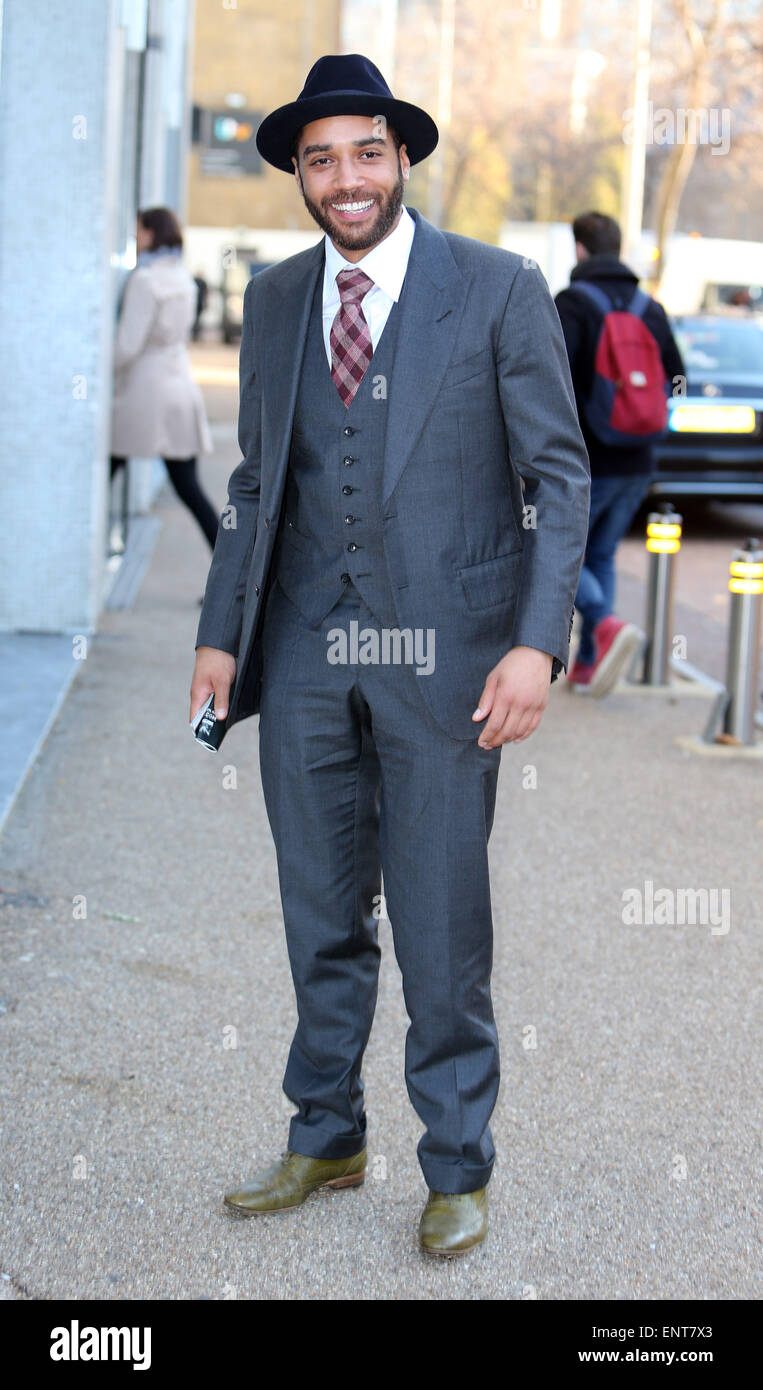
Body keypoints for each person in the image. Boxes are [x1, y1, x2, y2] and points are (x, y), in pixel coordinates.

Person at [189, 54, 590, 1256]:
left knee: (439, 916)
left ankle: (456, 1163)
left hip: (451, 656)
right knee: (319, 907)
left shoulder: (499, 287)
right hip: (307, 645)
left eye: (365, 152)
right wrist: (220, 634)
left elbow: (558, 477)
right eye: (320, 159)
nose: (344, 178)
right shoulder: (272, 300)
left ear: (399, 157)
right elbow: (256, 481)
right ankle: (325, 1133)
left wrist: (535, 645)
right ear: (300, 177)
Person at [554, 211, 685, 695]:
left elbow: (552, 378)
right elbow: (676, 375)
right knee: (602, 554)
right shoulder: (650, 307)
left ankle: (604, 626)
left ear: (581, 249)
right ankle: (590, 664)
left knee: (563, 554)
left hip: (588, 459)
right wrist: (647, 421)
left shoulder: (573, 304)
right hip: (640, 457)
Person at [110, 207, 218, 557]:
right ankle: (236, 583)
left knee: (98, 476)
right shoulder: (181, 277)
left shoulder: (144, 280)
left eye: (140, 231)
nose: (136, 238)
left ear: (152, 233)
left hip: (145, 392)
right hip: (179, 386)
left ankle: (65, 555)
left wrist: (94, 374)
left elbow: (127, 346)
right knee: (189, 488)